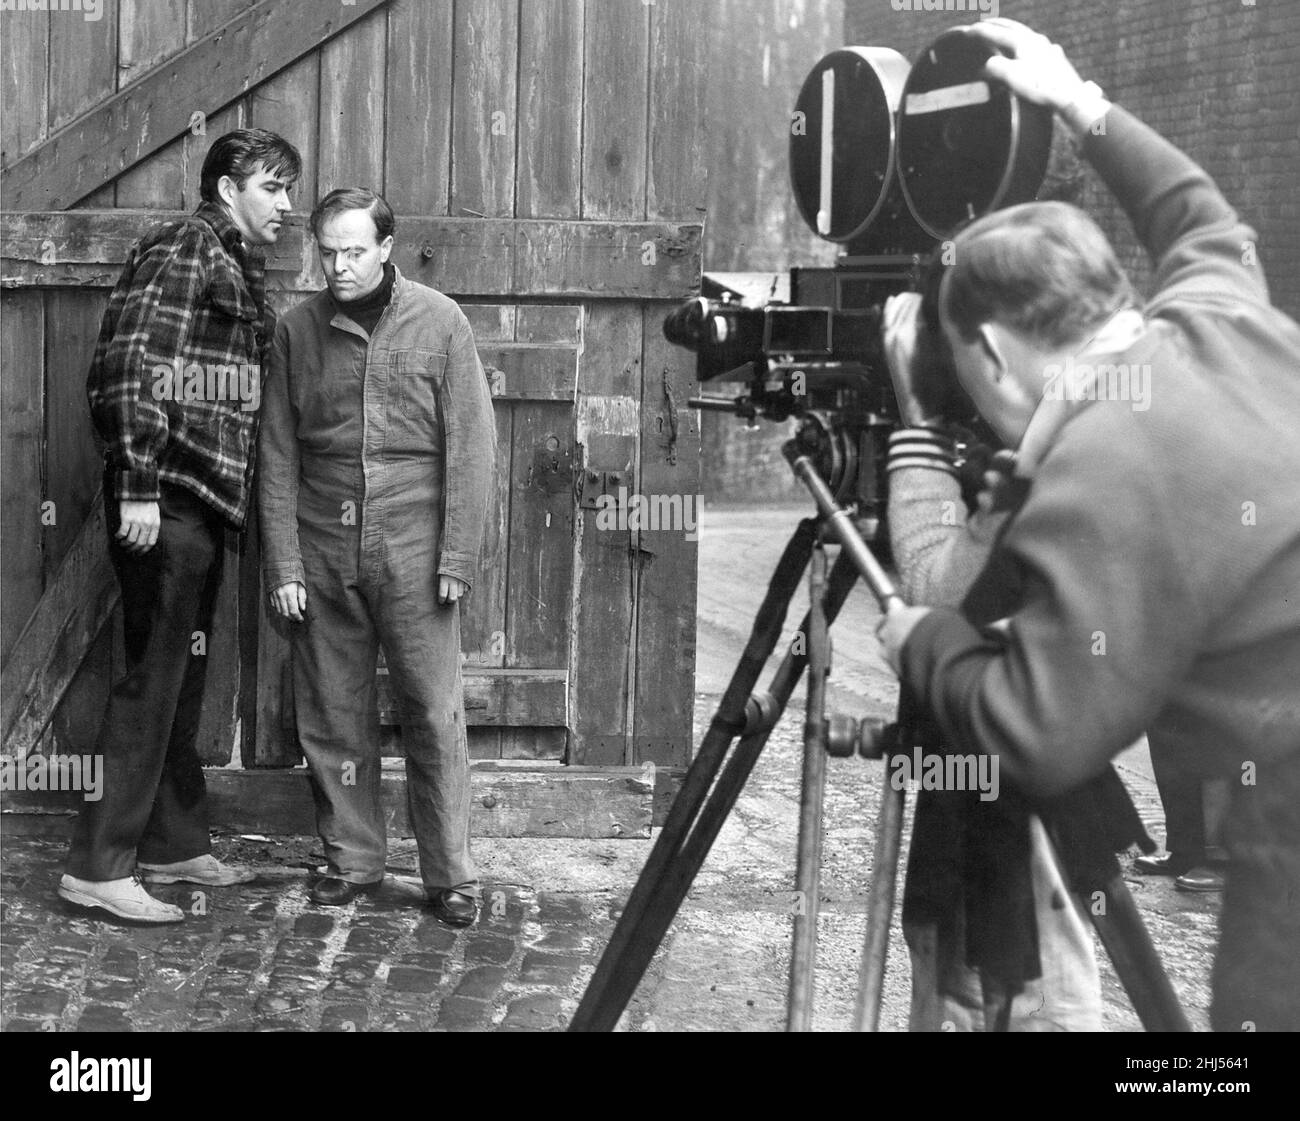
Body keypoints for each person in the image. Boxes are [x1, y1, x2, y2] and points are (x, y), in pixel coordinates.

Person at [876, 18, 1300, 1031]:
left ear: (986, 348)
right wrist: (1083, 104)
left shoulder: (1091, 476)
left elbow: (1036, 737)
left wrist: (920, 639)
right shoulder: (1215, 311)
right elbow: (1197, 216)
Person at [61, 129, 302, 923]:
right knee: (149, 680)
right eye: (273, 186)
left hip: (200, 504)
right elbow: (129, 363)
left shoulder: (231, 262)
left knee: (179, 675)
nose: (287, 204)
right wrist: (135, 483)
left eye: (289, 189)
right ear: (228, 186)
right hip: (162, 498)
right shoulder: (185, 247)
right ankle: (99, 864)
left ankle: (170, 840)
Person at [257, 188, 496, 926]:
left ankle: (450, 874)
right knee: (332, 710)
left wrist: (456, 552)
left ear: (387, 247)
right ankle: (352, 860)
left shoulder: (441, 321)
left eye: (354, 250)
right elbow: (276, 453)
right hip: (325, 539)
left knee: (431, 708)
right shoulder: (296, 331)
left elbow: (473, 446)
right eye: (327, 251)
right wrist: (286, 565)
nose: (339, 266)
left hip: (416, 544)